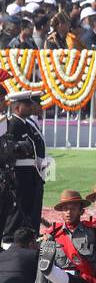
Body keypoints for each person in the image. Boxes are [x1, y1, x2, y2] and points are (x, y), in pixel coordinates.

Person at [0, 90, 50, 244]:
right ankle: (12, 241)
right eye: (26, 105)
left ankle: (28, 238)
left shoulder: (24, 124)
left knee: (28, 210)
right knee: (18, 212)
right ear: (17, 107)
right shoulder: (12, 124)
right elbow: (7, 152)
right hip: (20, 175)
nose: (30, 107)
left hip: (30, 174)